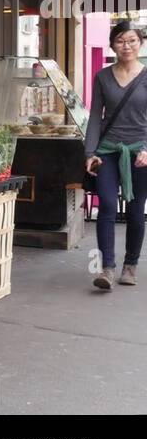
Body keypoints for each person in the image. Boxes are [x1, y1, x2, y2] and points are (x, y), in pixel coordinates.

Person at [85, 21, 147, 290]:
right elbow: (95, 118)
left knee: (135, 211)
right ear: (112, 45)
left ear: (140, 43)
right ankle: (107, 269)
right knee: (107, 206)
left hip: (140, 153)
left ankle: (130, 265)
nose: (127, 45)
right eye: (121, 40)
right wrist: (90, 152)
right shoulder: (103, 76)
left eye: (132, 40)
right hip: (108, 152)